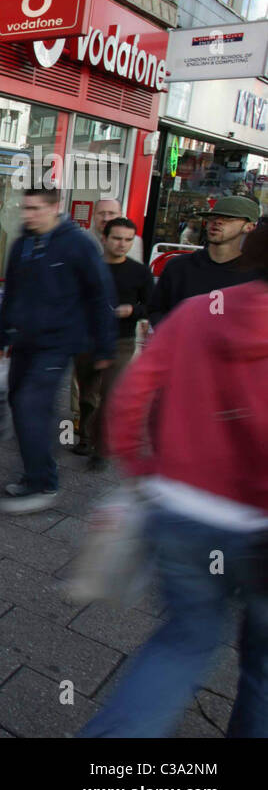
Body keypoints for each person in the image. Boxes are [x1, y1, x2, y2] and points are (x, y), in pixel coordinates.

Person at [80, 224, 268, 738]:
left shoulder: (200, 311)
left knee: (183, 642)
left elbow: (131, 396)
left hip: (183, 507)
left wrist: (142, 473)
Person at [0, 187, 115, 514]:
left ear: (54, 207)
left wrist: (105, 347)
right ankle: (37, 471)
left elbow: (99, 295)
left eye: (35, 209)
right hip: (23, 341)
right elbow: (11, 292)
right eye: (25, 208)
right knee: (21, 406)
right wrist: (0, 338)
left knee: (31, 403)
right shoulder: (23, 243)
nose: (27, 215)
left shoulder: (77, 244)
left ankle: (43, 485)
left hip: (58, 343)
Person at [71, 217, 152, 470]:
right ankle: (85, 437)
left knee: (112, 395)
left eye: (128, 240)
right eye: (117, 238)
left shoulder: (139, 272)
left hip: (121, 340)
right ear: (104, 238)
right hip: (87, 339)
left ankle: (102, 448)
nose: (122, 244)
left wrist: (133, 310)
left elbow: (151, 305)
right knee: (87, 394)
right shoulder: (88, 268)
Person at [150, 195, 260, 328]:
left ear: (249, 227)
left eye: (228, 218)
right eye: (213, 217)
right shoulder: (179, 267)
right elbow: (156, 310)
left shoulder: (258, 275)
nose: (217, 222)